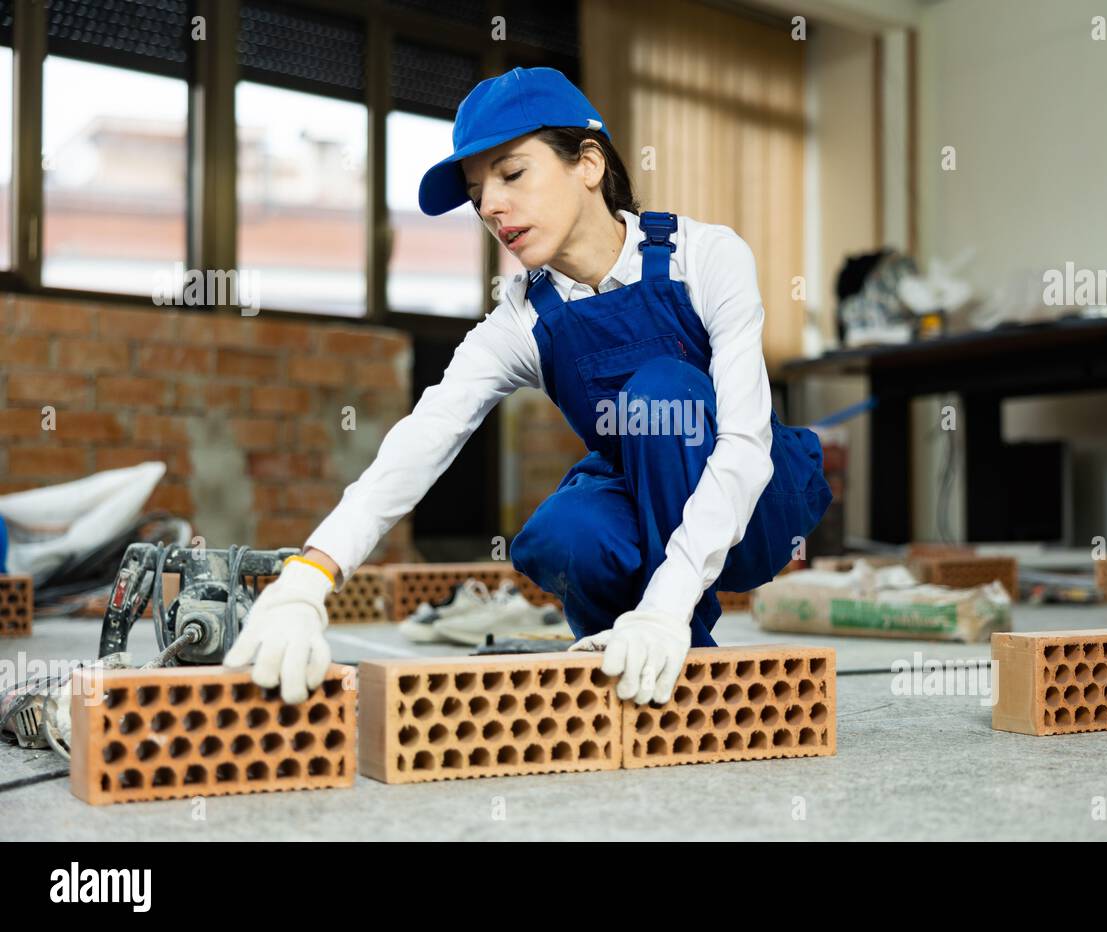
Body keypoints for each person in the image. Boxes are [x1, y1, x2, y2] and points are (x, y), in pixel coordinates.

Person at [225, 66, 832, 706]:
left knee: (663, 396)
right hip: (645, 501)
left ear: (589, 163)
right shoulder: (522, 320)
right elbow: (425, 435)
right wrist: (308, 577)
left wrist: (665, 606)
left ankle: (687, 662)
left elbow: (742, 443)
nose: (490, 206)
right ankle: (624, 672)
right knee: (563, 535)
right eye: (476, 190)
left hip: (758, 499)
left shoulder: (706, 256)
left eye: (512, 174)